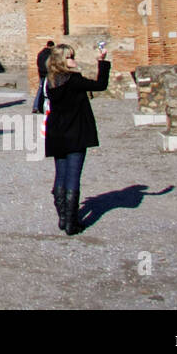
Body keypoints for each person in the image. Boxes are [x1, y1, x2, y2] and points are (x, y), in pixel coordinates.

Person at [44, 43, 109, 234]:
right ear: (62, 60)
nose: (74, 59)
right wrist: (102, 61)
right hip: (75, 133)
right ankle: (72, 223)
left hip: (57, 133)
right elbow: (100, 85)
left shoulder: (50, 81)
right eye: (70, 56)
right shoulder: (74, 80)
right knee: (73, 177)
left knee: (60, 175)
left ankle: (63, 218)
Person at [32, 40, 55, 114]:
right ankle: (50, 107)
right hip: (48, 74)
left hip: (41, 74)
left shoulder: (40, 53)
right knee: (50, 90)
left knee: (40, 90)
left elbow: (38, 64)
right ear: (52, 46)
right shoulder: (51, 54)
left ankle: (35, 107)